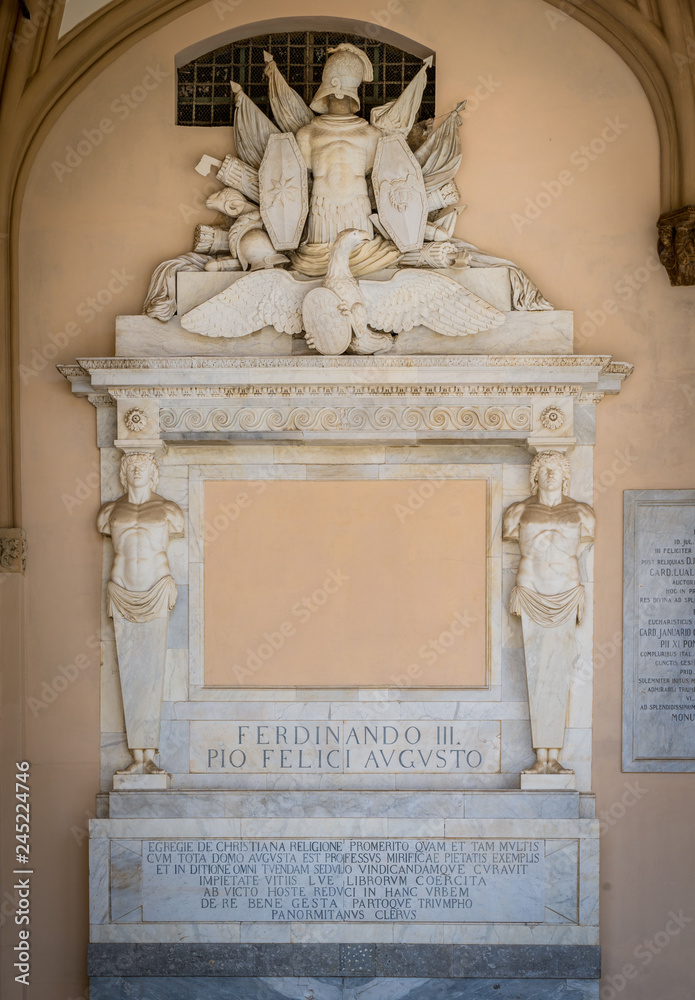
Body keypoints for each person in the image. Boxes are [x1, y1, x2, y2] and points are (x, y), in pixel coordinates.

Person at [503, 451, 595, 775]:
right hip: (530, 590)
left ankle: (552, 756)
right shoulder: (518, 512)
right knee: (537, 673)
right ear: (535, 476)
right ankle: (540, 756)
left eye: (557, 469)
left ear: (566, 475)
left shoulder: (582, 513)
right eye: (545, 469)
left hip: (566, 592)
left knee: (557, 675)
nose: (551, 474)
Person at [97, 452, 184, 775]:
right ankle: (138, 756)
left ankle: (150, 755)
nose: (137, 471)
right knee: (131, 673)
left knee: (152, 673)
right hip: (121, 590)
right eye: (131, 467)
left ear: (153, 473)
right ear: (123, 473)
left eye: (143, 467)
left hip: (156, 588)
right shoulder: (109, 512)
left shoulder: (169, 510)